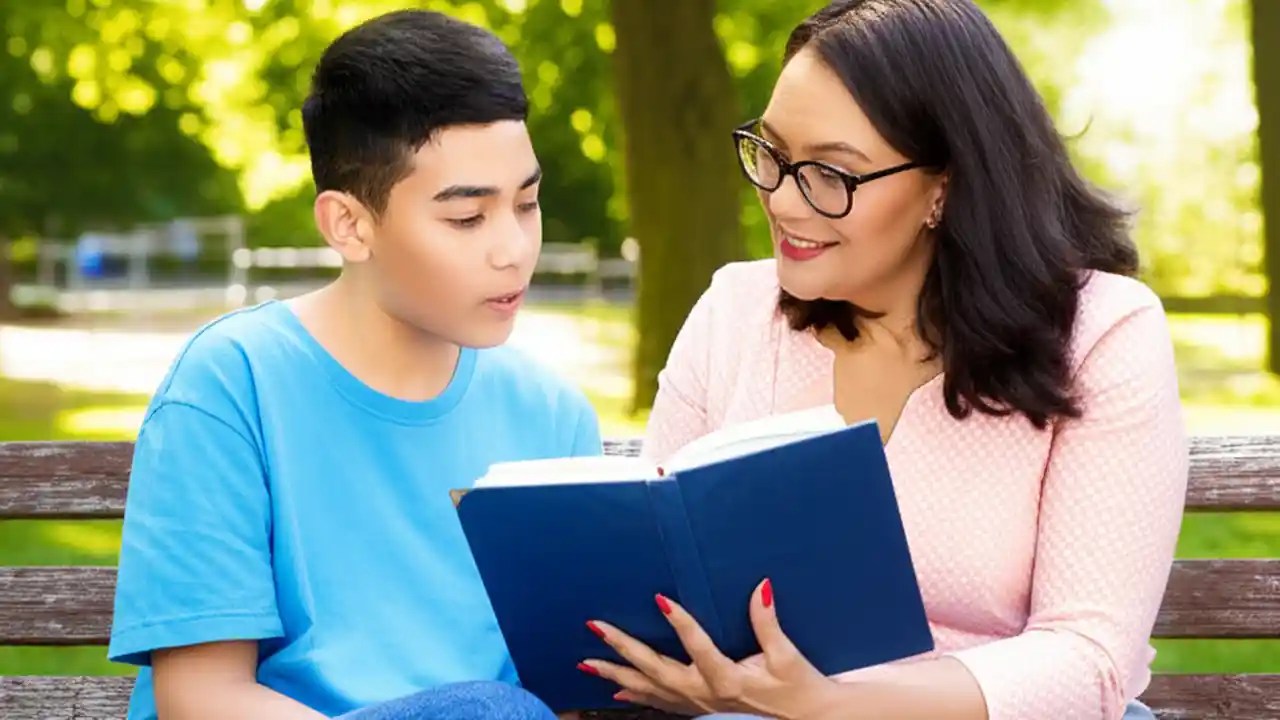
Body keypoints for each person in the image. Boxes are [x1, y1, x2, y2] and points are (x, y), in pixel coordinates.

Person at [576, 1, 1188, 719]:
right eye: (770, 153)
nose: (782, 199)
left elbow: (1089, 658)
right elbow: (662, 571)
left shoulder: (1103, 332)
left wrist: (827, 705)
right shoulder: (735, 313)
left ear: (944, 186)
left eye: (830, 174)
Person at [107, 10, 598, 720]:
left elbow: (566, 691)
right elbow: (202, 697)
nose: (514, 248)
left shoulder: (551, 415)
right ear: (349, 224)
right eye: (467, 219)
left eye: (527, 203)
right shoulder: (230, 384)